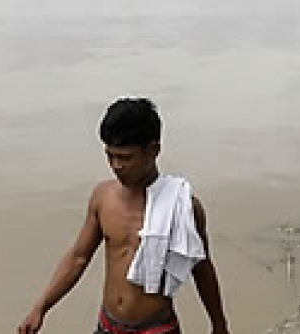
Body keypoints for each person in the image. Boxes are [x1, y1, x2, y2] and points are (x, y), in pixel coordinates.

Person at [18, 98, 230, 334]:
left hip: (156, 327)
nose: (116, 165)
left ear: (153, 150)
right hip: (108, 325)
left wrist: (219, 324)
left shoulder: (181, 206)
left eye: (125, 157)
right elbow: (78, 257)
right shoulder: (103, 197)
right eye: (110, 156)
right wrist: (41, 308)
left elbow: (201, 268)